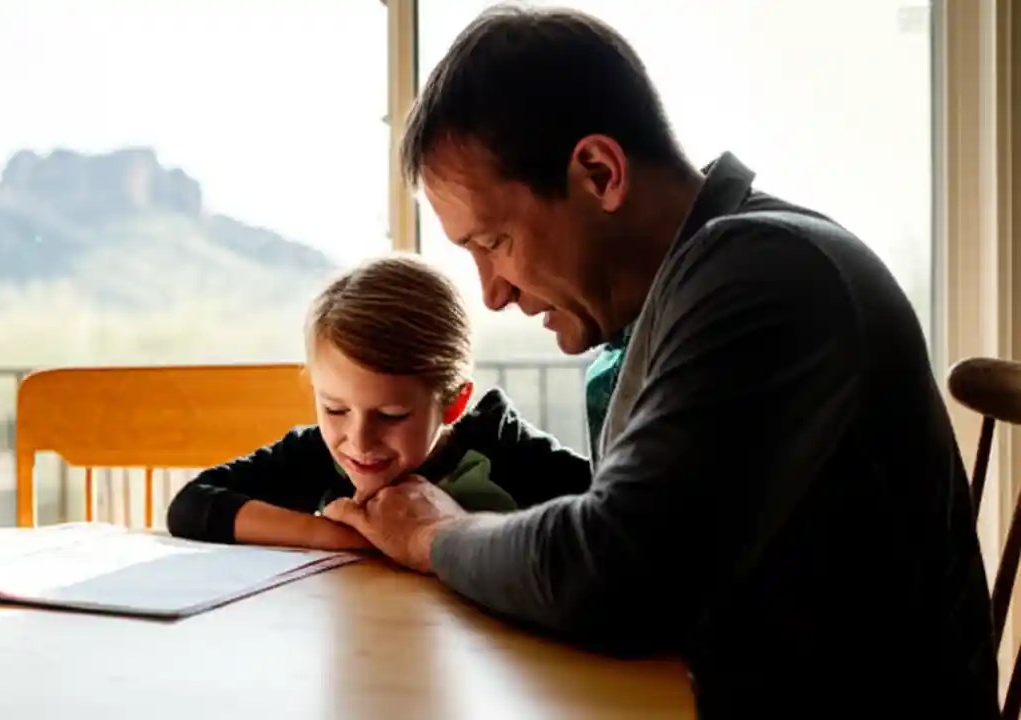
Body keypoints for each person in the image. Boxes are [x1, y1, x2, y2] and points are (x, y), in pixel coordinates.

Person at [321, 5, 999, 717]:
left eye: (493, 243)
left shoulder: (766, 275)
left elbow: (611, 574)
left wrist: (434, 534)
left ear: (598, 171)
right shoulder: (705, 284)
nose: (492, 295)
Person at [166, 253, 592, 550]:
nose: (359, 440)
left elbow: (617, 531)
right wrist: (344, 537)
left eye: (391, 416)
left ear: (453, 404)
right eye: (335, 409)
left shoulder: (510, 455)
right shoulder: (319, 455)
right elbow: (193, 505)